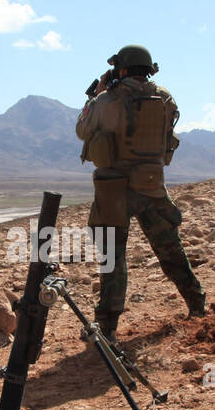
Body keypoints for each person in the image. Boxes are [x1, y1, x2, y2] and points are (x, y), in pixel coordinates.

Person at [76, 45, 206, 338]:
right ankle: (197, 303)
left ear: (121, 70)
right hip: (151, 186)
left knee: (113, 258)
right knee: (170, 248)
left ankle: (107, 327)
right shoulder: (165, 98)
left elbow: (82, 131)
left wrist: (93, 96)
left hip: (114, 190)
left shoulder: (106, 100)